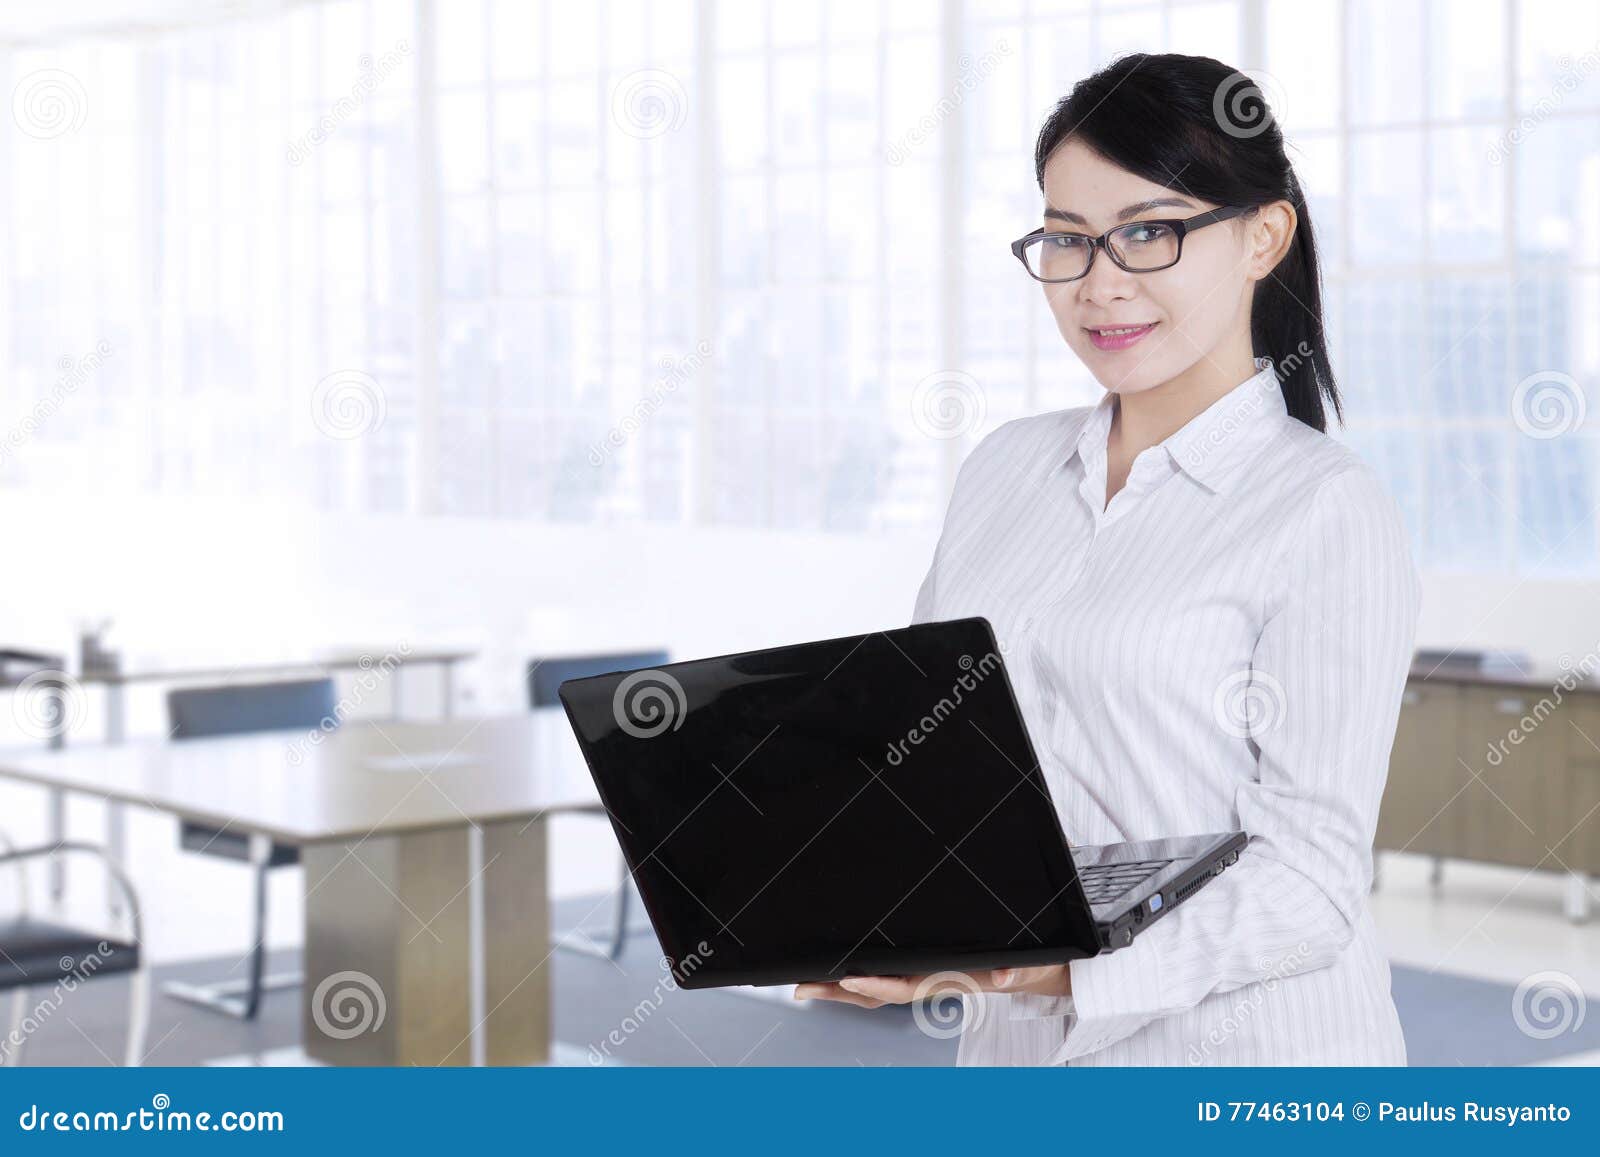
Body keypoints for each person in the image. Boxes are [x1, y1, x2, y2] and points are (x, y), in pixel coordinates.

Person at [795, 52, 1420, 1066]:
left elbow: (1308, 879)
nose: (1099, 284)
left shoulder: (1324, 509)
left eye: (1148, 233)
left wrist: (1023, 966)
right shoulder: (1005, 469)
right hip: (1015, 1063)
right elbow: (938, 765)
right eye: (1068, 240)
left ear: (1263, 236)